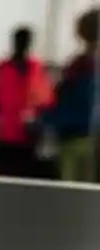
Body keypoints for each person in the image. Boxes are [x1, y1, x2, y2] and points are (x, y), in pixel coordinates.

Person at [0, 27, 54, 177]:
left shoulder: (34, 67)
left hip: (27, 132)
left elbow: (45, 99)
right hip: (9, 132)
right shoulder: (6, 68)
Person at [53, 10, 99, 182]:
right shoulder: (80, 66)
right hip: (84, 136)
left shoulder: (77, 66)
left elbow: (63, 100)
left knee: (72, 193)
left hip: (75, 137)